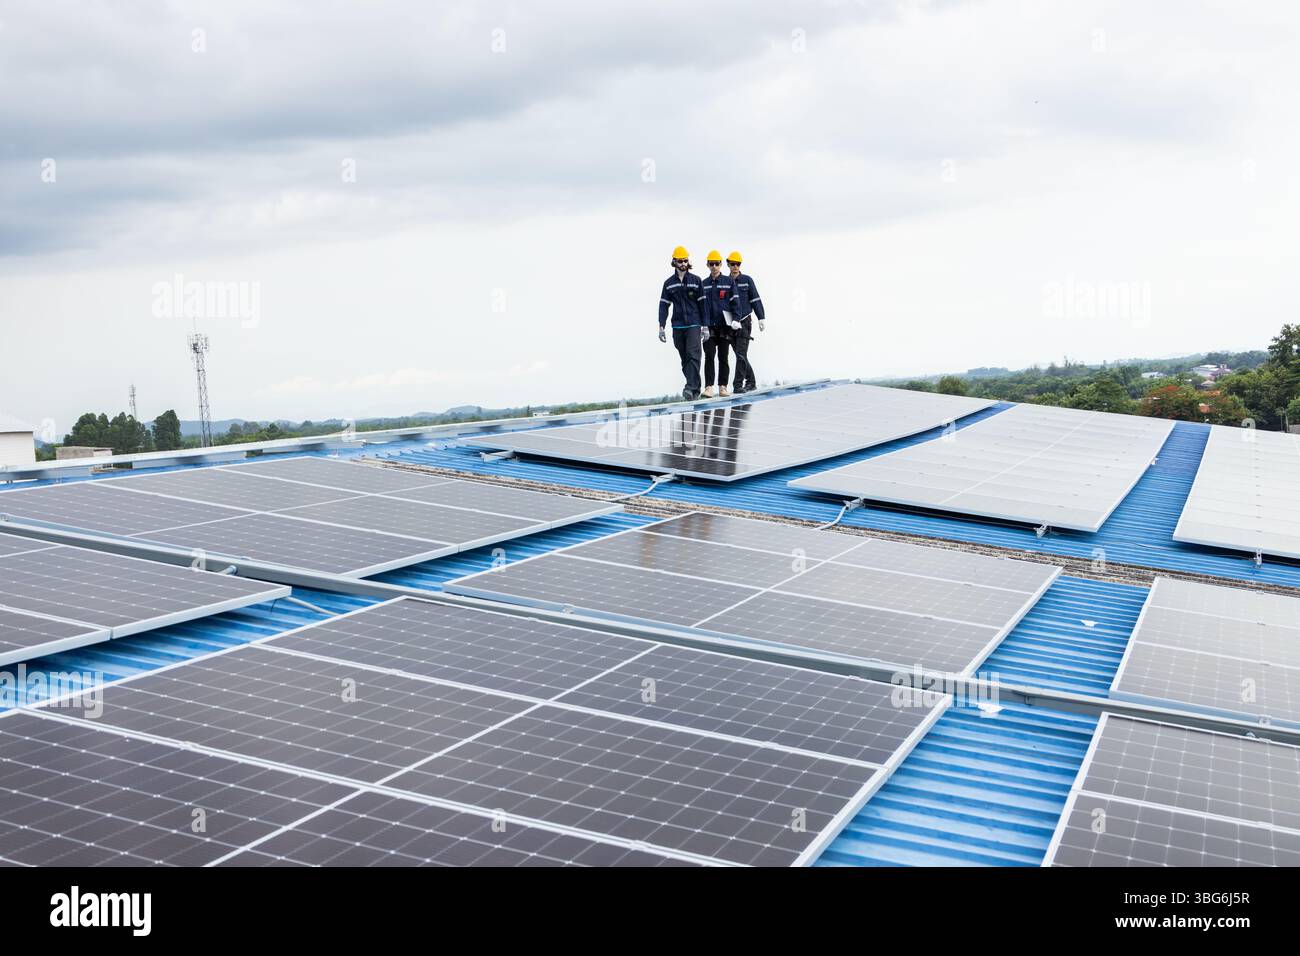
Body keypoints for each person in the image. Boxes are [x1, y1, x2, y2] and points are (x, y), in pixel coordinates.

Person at [658, 245, 709, 400]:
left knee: (693, 355)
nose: (683, 263)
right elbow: (663, 305)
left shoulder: (696, 281)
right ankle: (695, 388)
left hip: (694, 323)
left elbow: (703, 305)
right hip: (678, 325)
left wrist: (705, 326)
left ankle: (690, 387)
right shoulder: (668, 283)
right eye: (680, 261)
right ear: (674, 261)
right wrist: (661, 326)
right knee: (685, 358)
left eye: (685, 261)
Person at [698, 250, 737, 397]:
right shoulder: (703, 284)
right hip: (708, 327)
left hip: (724, 327)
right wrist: (702, 325)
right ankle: (709, 387)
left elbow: (735, 303)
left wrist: (736, 320)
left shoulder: (729, 282)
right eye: (711, 263)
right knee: (709, 356)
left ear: (721, 264)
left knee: (723, 357)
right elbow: (699, 306)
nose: (714, 266)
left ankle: (723, 386)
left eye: (716, 263)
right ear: (707, 265)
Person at [726, 250, 765, 393]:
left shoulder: (747, 280)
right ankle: (751, 381)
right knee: (739, 354)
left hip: (745, 322)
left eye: (738, 264)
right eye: (733, 264)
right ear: (728, 264)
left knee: (741, 353)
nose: (735, 266)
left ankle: (737, 385)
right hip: (730, 323)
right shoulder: (725, 281)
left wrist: (761, 317)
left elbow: (755, 298)